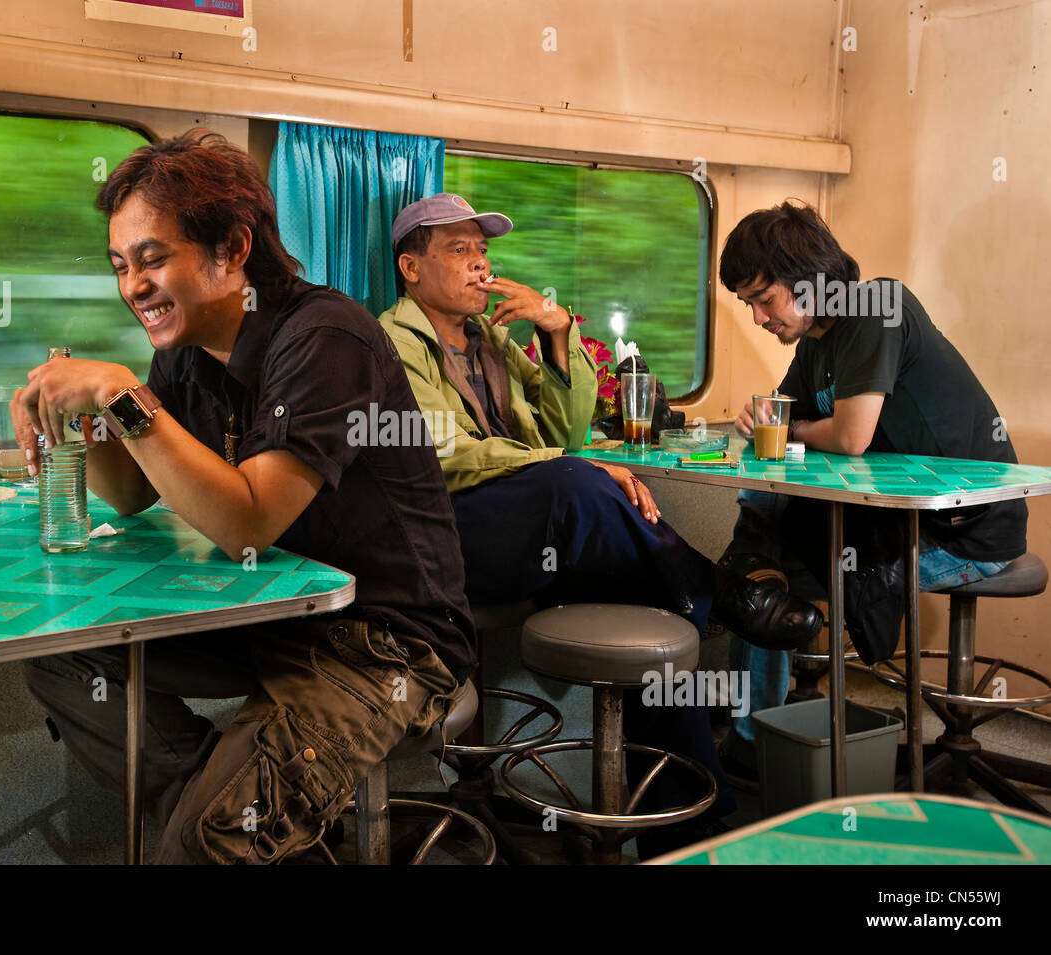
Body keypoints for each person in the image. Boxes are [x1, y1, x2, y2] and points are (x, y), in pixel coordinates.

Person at [12, 131, 477, 865]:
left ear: (231, 250)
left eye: (151, 258)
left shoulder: (325, 336)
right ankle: (232, 821)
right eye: (120, 266)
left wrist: (119, 393)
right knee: (66, 655)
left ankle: (222, 828)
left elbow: (248, 519)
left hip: (381, 642)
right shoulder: (184, 355)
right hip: (267, 616)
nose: (132, 285)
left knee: (204, 840)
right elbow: (132, 490)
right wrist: (78, 421)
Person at [378, 193, 824, 854]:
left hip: (532, 524)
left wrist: (557, 334)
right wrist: (572, 466)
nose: (481, 266)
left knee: (656, 607)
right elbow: (443, 453)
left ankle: (687, 821)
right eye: (460, 251)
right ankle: (723, 593)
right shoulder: (392, 341)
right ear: (411, 268)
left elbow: (567, 427)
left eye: (484, 251)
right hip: (452, 536)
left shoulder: (493, 341)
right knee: (574, 482)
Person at [716, 200, 1028, 771]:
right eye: (748, 304)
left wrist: (788, 426)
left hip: (967, 532)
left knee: (763, 582)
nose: (758, 318)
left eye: (764, 300)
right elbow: (782, 414)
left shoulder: (877, 306)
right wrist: (766, 415)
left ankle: (760, 736)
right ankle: (755, 737)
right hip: (897, 523)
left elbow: (851, 436)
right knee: (753, 577)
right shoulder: (815, 344)